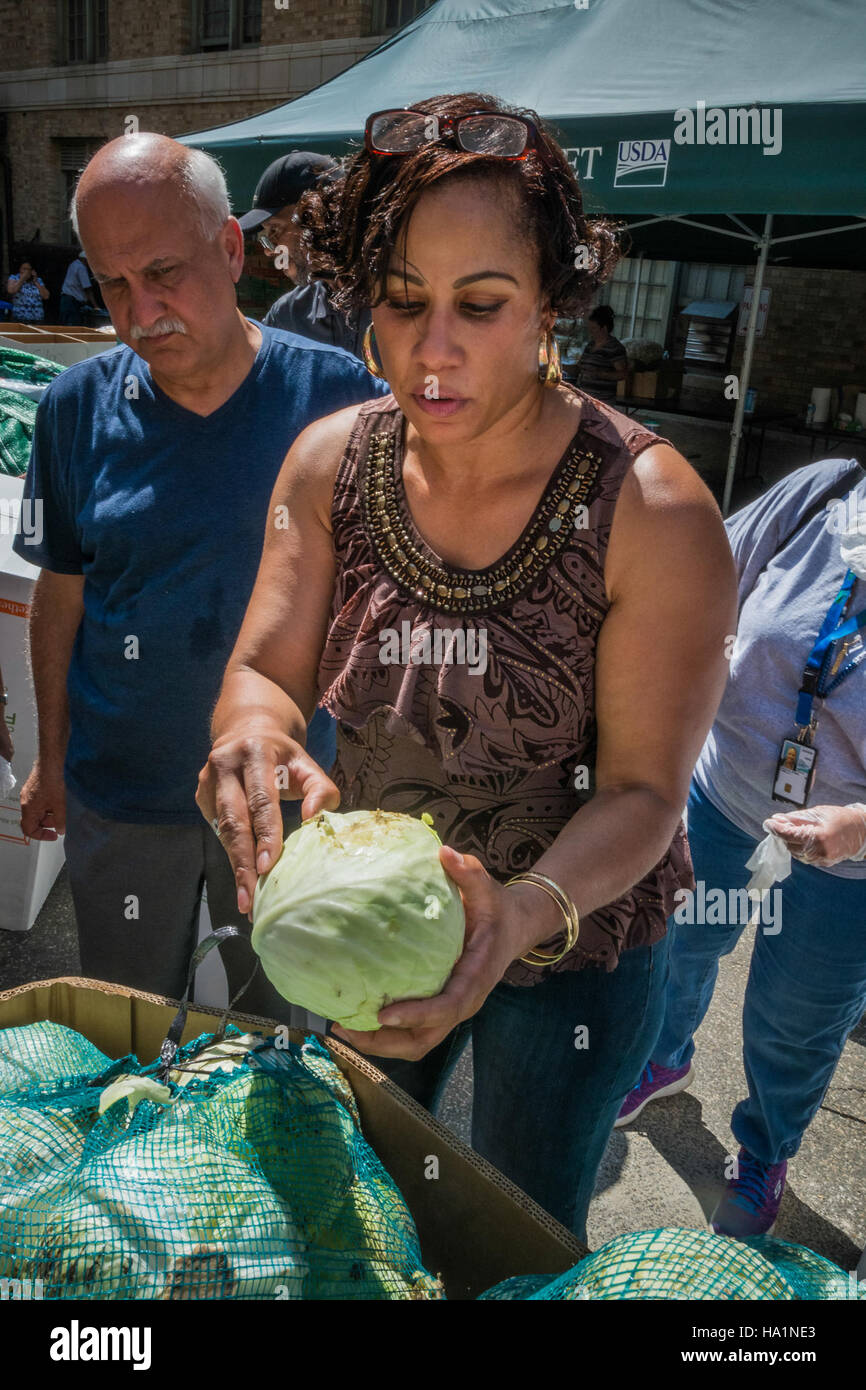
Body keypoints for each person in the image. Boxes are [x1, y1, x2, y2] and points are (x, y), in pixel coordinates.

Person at [195, 92, 738, 1241]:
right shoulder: (328, 464)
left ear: (551, 302)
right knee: (364, 1195)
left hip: (573, 938)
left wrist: (517, 911)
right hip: (382, 924)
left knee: (512, 1220)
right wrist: (251, 731)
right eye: (401, 303)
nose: (432, 350)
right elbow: (265, 666)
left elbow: (643, 793)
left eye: (480, 305)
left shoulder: (652, 510)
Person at [12, 132, 388, 1018]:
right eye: (113, 284)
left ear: (230, 250)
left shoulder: (339, 400)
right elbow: (57, 597)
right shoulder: (73, 410)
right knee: (127, 1026)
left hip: (285, 802)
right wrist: (49, 761)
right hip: (124, 797)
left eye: (164, 272)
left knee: (275, 1039)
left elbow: (379, 598)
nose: (141, 313)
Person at [617, 455, 866, 1238]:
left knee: (797, 1019)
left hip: (850, 862)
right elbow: (702, 584)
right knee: (683, 940)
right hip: (725, 799)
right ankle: (666, 1056)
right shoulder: (826, 494)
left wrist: (858, 826)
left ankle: (764, 1150)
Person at [239, 152, 371, 358]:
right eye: (265, 236)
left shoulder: (397, 298)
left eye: (275, 230)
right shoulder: (287, 316)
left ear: (319, 216)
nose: (268, 249)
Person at [576, 304, 628, 403]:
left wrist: (600, 374)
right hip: (585, 398)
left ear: (604, 328)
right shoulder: (590, 345)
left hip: (602, 400)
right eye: (589, 328)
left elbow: (622, 374)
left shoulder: (615, 348)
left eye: (594, 329)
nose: (590, 332)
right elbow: (581, 365)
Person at [59, 251, 98, 325]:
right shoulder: (81, 268)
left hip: (66, 299)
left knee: (65, 326)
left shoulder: (73, 264)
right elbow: (87, 288)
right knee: (73, 327)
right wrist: (96, 306)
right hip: (72, 302)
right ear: (85, 260)